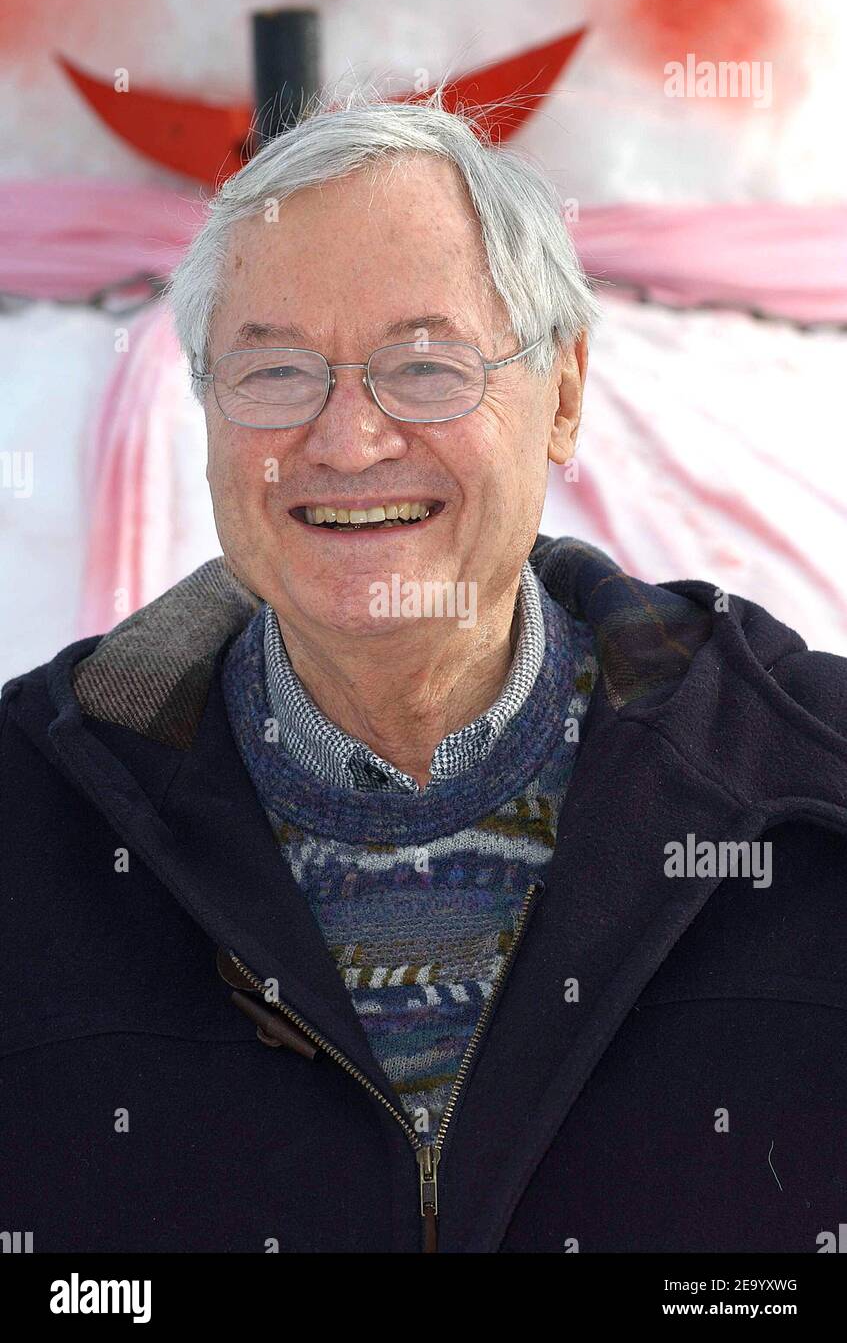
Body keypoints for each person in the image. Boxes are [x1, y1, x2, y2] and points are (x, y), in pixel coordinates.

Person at [2, 84, 845, 1255]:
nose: (348, 441)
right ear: (203, 406)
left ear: (562, 391)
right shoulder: (29, 814)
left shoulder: (811, 788)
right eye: (276, 373)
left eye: (427, 368)